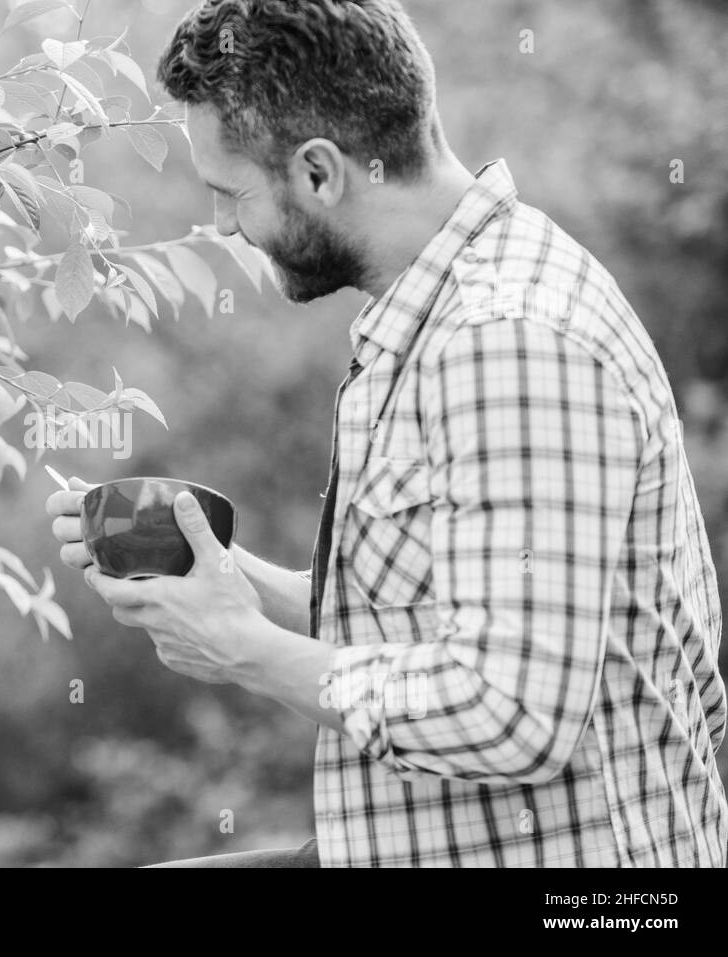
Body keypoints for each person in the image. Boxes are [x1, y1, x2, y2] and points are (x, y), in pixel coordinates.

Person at [47, 0, 726, 866]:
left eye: (231, 193)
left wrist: (245, 652)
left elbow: (508, 711)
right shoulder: (429, 310)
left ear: (320, 173)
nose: (222, 226)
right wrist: (229, 581)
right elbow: (424, 622)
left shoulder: (506, 339)